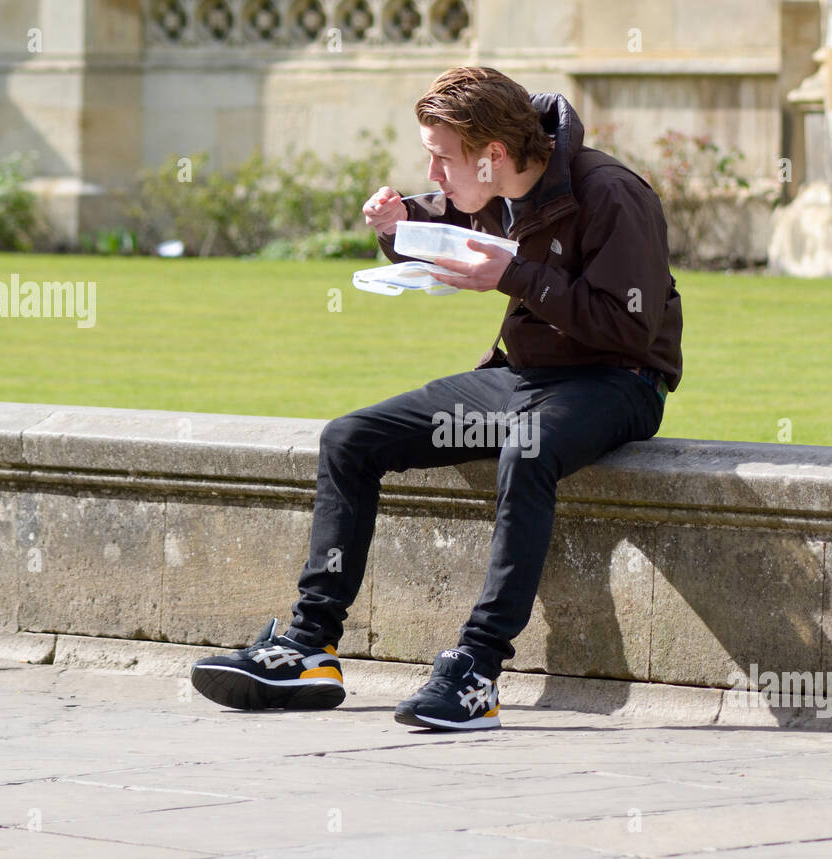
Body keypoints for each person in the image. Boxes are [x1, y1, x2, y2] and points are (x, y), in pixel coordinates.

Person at [190, 66, 683, 731]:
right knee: (349, 439)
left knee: (527, 450)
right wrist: (396, 226)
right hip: (523, 379)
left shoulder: (613, 194)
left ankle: (477, 669)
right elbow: (445, 219)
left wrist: (516, 276)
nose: (432, 170)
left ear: (494, 155)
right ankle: (310, 647)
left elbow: (629, 325)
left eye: (440, 157)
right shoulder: (495, 186)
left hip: (619, 382)